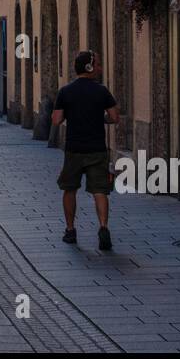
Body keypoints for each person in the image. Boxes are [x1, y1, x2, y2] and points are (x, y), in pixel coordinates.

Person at [53, 50, 120, 250]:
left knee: (69, 188)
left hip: (74, 149)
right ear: (89, 67)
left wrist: (69, 115)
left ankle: (71, 230)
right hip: (97, 148)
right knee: (100, 191)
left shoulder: (65, 92)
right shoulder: (102, 91)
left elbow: (56, 120)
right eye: (97, 65)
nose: (99, 68)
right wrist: (102, 118)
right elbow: (115, 117)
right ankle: (103, 227)